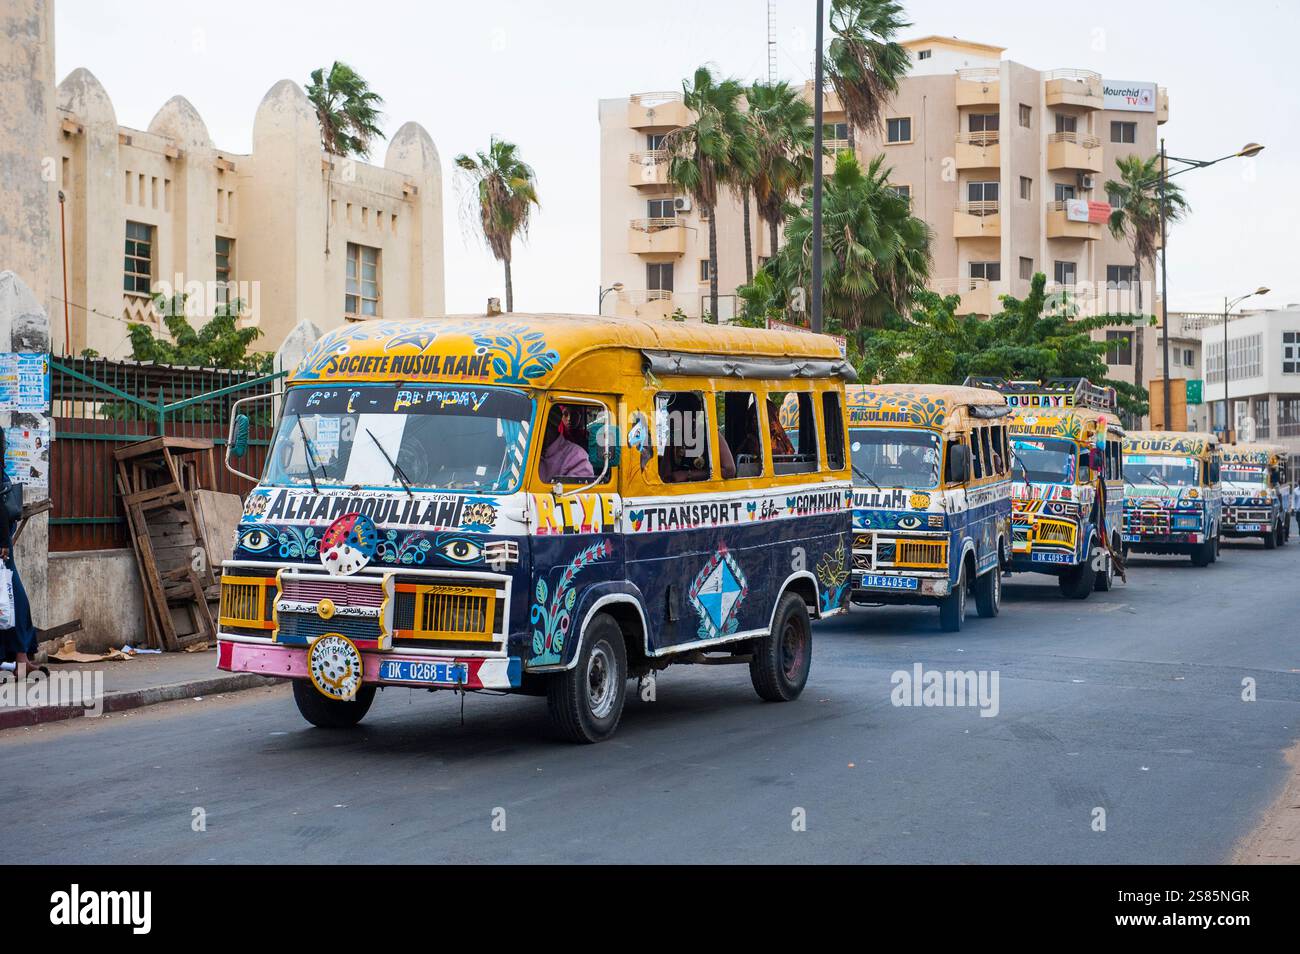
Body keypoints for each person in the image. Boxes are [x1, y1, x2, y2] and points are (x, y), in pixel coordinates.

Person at [0, 458, 39, 678]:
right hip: (2, 544)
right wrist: (4, 541)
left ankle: (21, 658)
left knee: (14, 601)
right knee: (11, 599)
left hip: (3, 543)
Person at [539, 405, 594, 483]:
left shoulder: (577, 457)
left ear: (551, 427)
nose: (569, 419)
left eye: (574, 415)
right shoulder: (529, 452)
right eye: (565, 415)